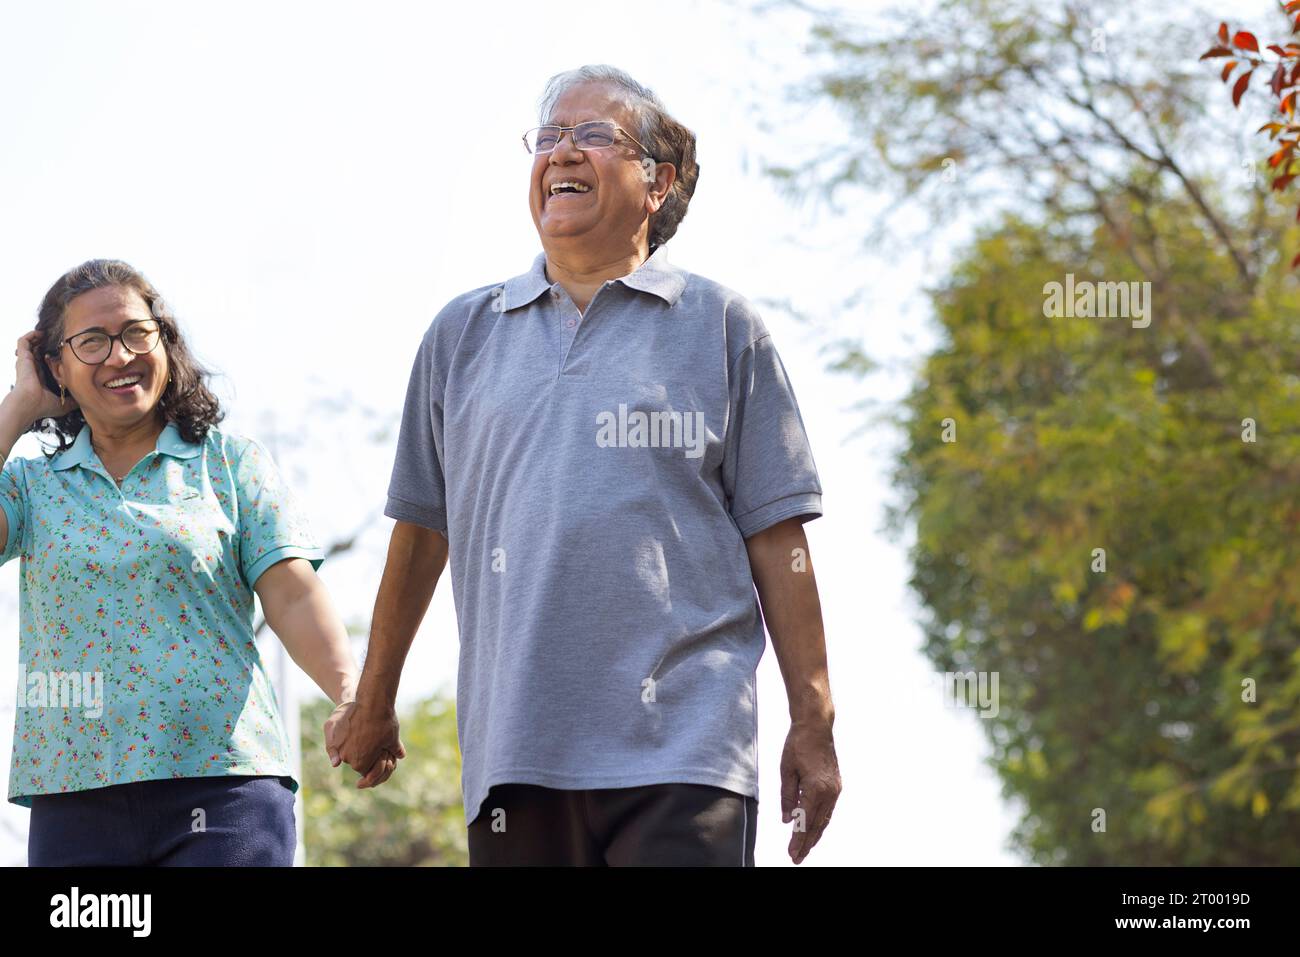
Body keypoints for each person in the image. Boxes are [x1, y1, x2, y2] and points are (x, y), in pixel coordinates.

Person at [332, 64, 841, 866]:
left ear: (658, 182)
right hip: (515, 756)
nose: (562, 153)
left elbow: (780, 540)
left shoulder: (722, 327)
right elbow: (421, 530)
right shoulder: (460, 336)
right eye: (549, 136)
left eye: (594, 135)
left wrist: (813, 719)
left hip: (687, 751)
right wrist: (375, 694)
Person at [0, 259, 365, 866]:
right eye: (91, 342)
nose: (119, 356)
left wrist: (352, 696)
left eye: (136, 333)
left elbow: (292, 594)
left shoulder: (230, 462)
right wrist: (18, 407)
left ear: (165, 343)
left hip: (225, 789)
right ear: (55, 367)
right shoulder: (30, 486)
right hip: (73, 794)